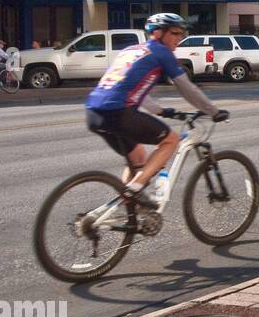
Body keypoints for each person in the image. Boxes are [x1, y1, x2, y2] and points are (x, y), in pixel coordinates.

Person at [85, 13, 227, 207]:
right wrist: (213, 111)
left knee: (138, 158)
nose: (179, 38)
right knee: (171, 140)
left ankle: (128, 211)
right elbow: (186, 88)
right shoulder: (161, 52)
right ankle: (135, 190)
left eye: (182, 34)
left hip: (94, 112)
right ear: (158, 33)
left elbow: (129, 87)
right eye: (175, 33)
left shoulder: (131, 50)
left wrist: (159, 111)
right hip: (118, 112)